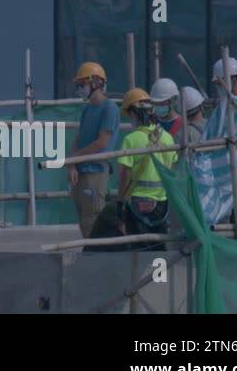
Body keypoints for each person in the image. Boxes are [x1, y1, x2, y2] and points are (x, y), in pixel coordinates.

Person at [115, 88, 178, 251]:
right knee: (158, 246)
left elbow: (124, 176)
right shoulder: (167, 137)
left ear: (134, 113)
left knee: (139, 248)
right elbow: (172, 171)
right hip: (162, 204)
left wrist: (119, 203)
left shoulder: (130, 140)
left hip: (136, 203)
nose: (129, 119)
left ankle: (140, 277)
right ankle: (160, 276)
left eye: (129, 114)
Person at [68, 62, 120, 238]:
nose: (80, 89)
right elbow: (79, 139)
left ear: (96, 82)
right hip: (82, 171)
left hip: (96, 171)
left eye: (82, 84)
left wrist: (75, 158)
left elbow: (102, 143)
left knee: (93, 219)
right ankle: (91, 255)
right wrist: (72, 164)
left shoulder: (109, 108)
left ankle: (96, 259)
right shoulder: (87, 110)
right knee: (84, 221)